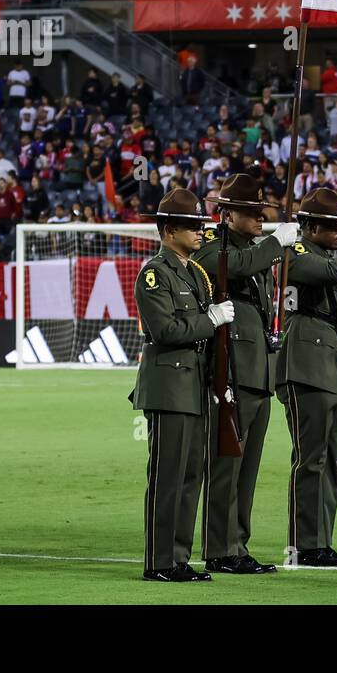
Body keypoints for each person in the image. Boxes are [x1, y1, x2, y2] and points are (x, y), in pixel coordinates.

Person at [193, 174, 299, 575]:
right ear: (228, 213)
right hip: (229, 372)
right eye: (252, 213)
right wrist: (276, 243)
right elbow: (232, 266)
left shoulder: (253, 251)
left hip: (257, 374)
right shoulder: (211, 247)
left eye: (261, 212)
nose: (260, 219)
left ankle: (237, 544)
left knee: (247, 469)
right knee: (225, 466)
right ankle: (220, 548)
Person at [130, 188, 233, 583]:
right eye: (191, 226)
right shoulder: (155, 272)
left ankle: (178, 557)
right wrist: (212, 320)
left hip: (195, 387)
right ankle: (158, 562)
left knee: (191, 476)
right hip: (169, 386)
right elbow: (166, 329)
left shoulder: (193, 272)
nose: (199, 232)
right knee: (167, 476)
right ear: (169, 231)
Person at [276, 186, 337, 566]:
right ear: (311, 227)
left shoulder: (330, 255)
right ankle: (304, 545)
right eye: (332, 227)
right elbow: (333, 272)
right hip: (306, 366)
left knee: (332, 458)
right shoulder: (297, 253)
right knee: (311, 458)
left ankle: (321, 542)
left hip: (334, 366)